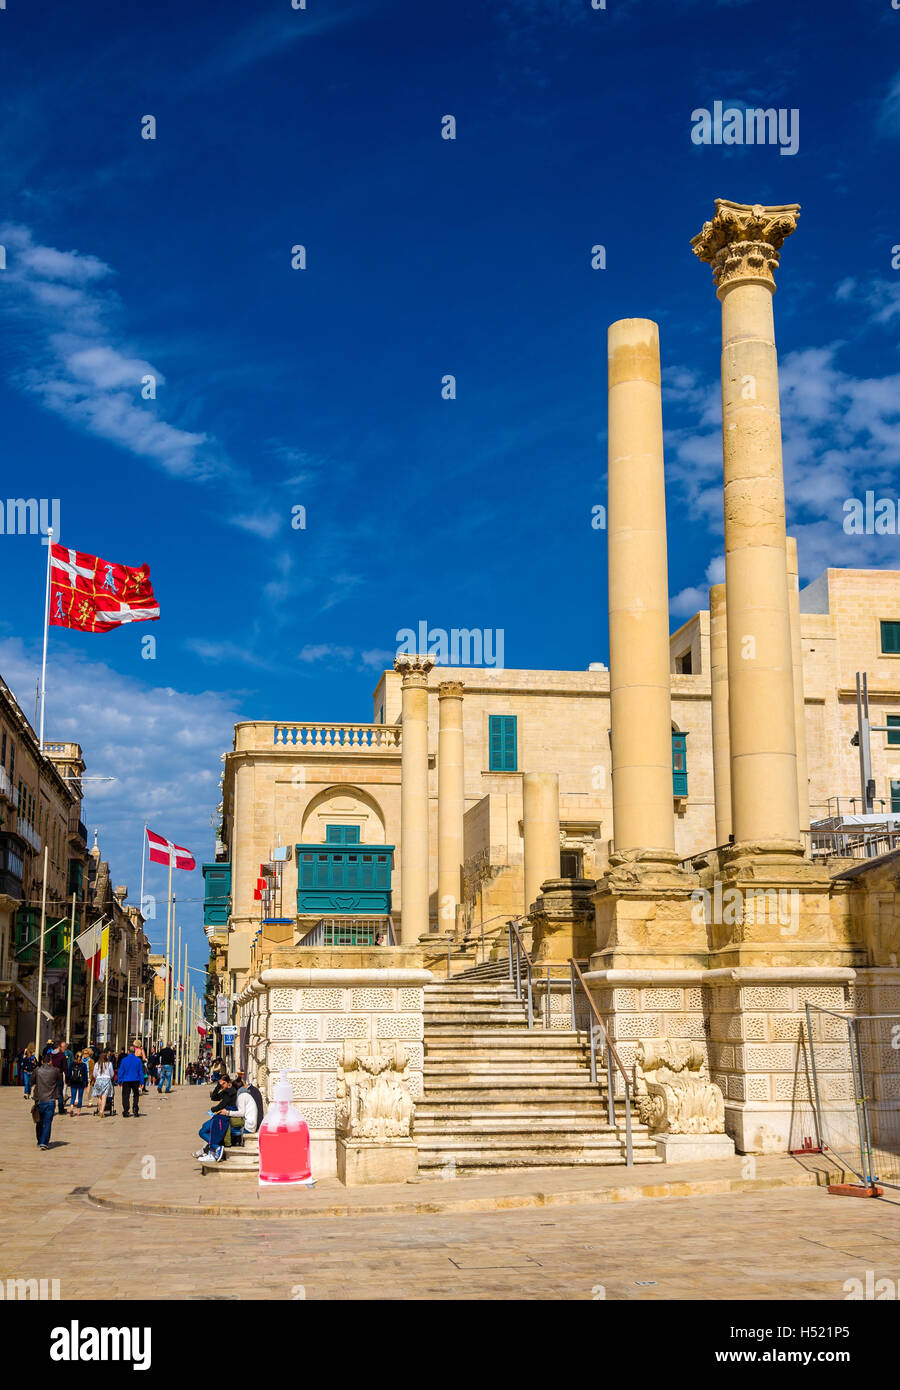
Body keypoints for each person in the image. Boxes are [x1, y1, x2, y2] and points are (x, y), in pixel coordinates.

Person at [192, 1073, 239, 1162]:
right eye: (221, 1085)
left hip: (223, 1118)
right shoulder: (225, 1090)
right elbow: (214, 1097)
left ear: (228, 1082)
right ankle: (212, 1149)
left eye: (223, 1084)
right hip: (218, 1116)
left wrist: (213, 1109)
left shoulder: (231, 1092)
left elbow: (221, 1105)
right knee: (204, 1128)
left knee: (202, 1132)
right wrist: (218, 1085)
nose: (222, 1086)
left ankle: (216, 1148)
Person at [32, 1054, 63, 1149]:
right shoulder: (55, 1070)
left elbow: (32, 1081)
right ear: (50, 1061)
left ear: (42, 1061)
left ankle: (40, 1140)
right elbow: (60, 1079)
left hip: (39, 1099)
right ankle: (44, 1142)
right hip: (50, 1099)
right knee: (47, 1122)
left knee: (39, 1122)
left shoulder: (37, 1070)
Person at [117, 1042, 144, 1117]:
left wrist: (119, 1081)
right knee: (136, 1095)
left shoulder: (124, 1060)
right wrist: (142, 1081)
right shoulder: (138, 1060)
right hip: (135, 1079)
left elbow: (121, 1071)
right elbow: (140, 1071)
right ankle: (135, 1108)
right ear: (135, 1052)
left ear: (128, 1052)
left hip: (126, 1080)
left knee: (125, 1095)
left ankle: (126, 1110)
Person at [91, 1051, 115, 1117]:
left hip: (98, 1080)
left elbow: (94, 1074)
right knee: (104, 1097)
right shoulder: (109, 1064)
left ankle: (99, 1110)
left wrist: (98, 1077)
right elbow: (112, 1074)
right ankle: (102, 1111)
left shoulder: (96, 1064)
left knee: (99, 1097)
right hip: (107, 1080)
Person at [49, 1040, 68, 1114]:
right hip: (59, 1076)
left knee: (51, 1094)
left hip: (50, 1076)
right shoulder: (62, 1056)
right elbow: (65, 1068)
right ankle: (61, 1110)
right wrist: (66, 1078)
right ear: (59, 1047)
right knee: (60, 1094)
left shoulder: (49, 1055)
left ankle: (51, 1110)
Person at [68, 1051, 88, 1116]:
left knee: (73, 1097)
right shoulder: (84, 1065)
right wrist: (86, 1083)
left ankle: (71, 1108)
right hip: (81, 1082)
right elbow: (85, 1075)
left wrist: (67, 1080)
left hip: (73, 1082)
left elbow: (68, 1073)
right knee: (80, 1097)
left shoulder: (71, 1064)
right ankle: (78, 1112)